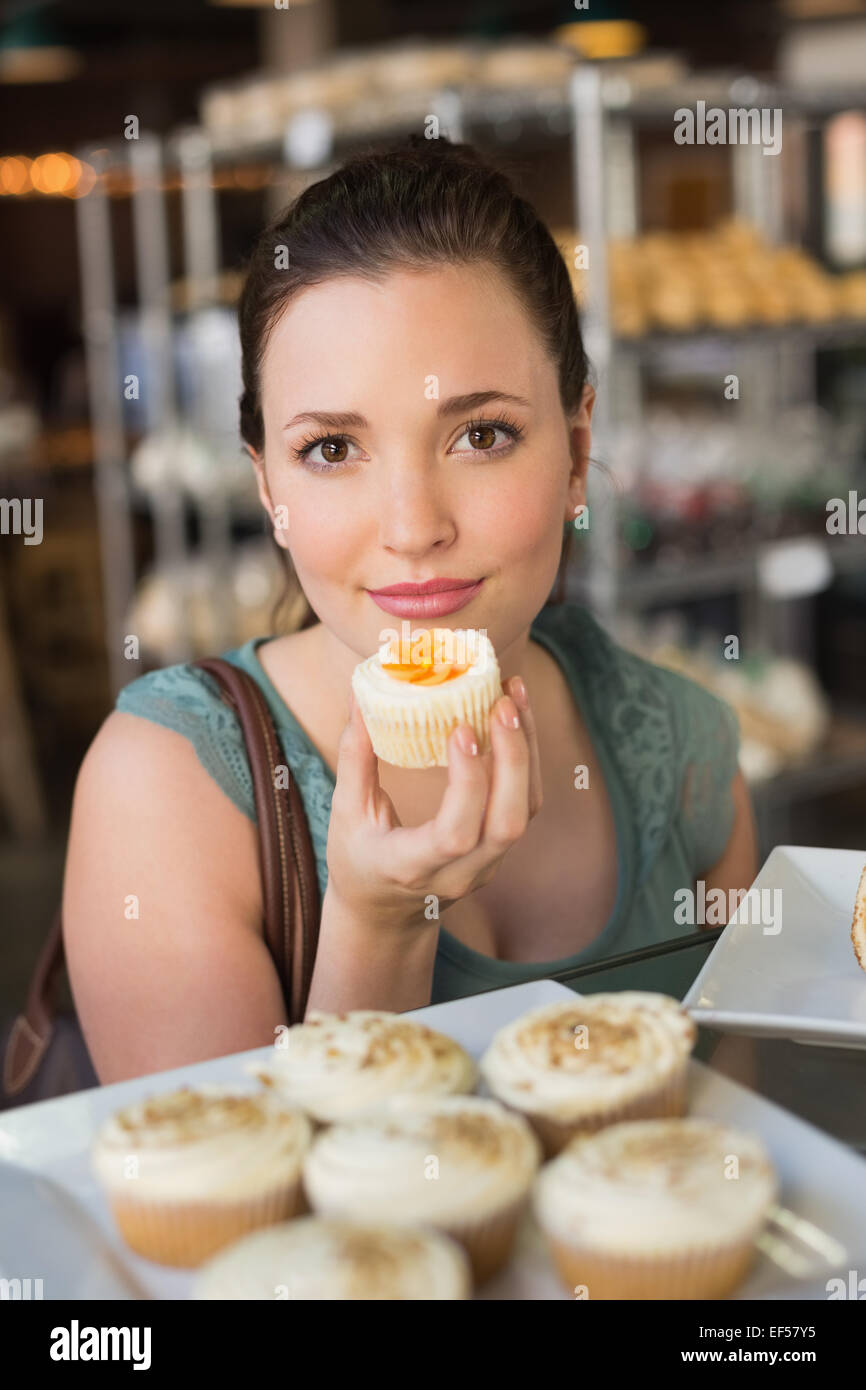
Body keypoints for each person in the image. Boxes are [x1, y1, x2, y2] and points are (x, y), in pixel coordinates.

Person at [62, 136, 758, 1084]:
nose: (413, 527)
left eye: (481, 434)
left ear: (577, 451)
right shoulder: (167, 788)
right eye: (332, 451)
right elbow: (229, 1224)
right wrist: (377, 925)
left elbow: (726, 1162)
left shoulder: (688, 752)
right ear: (267, 487)